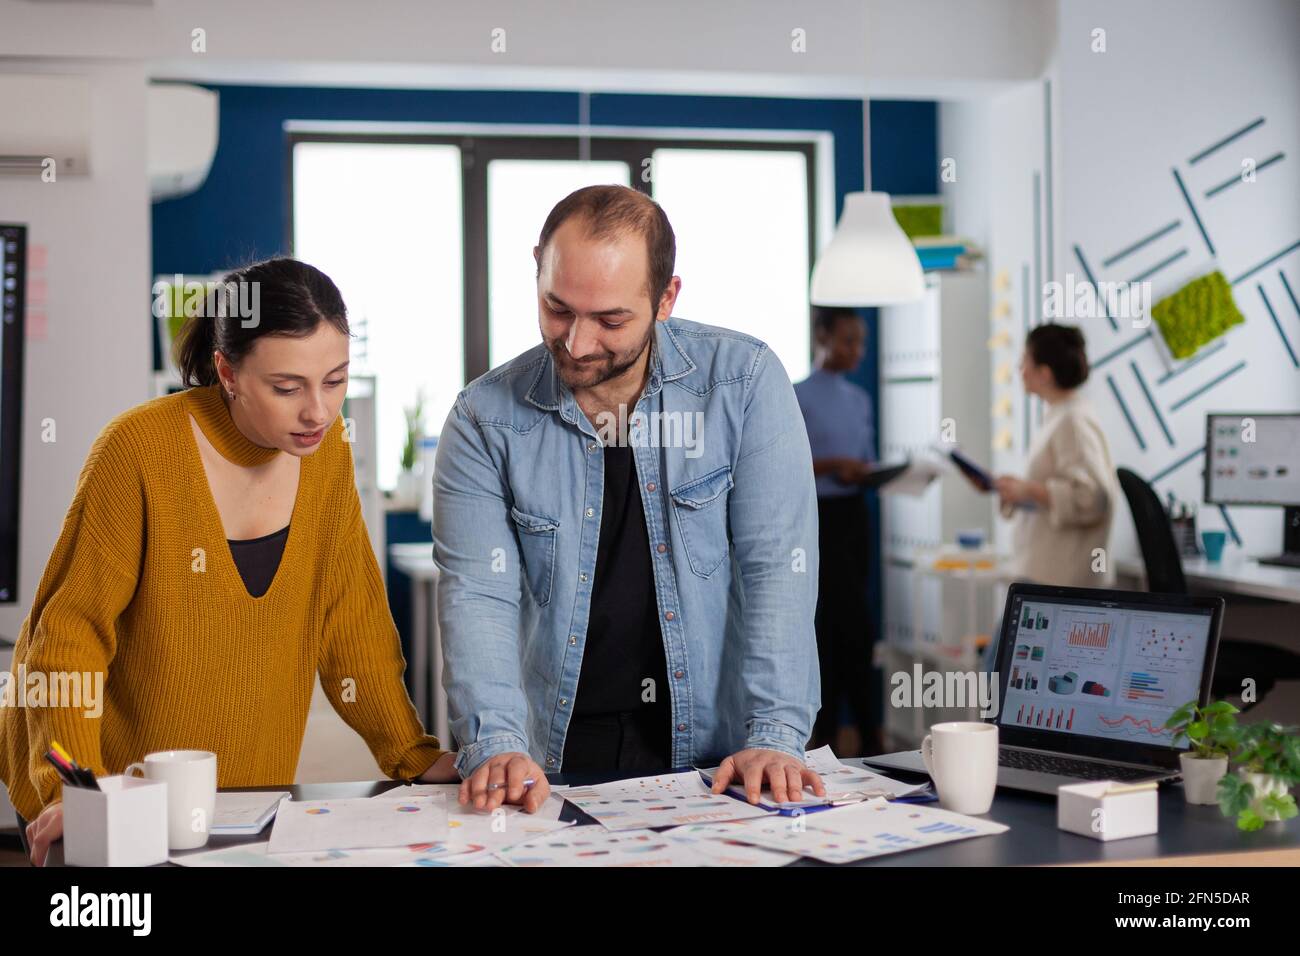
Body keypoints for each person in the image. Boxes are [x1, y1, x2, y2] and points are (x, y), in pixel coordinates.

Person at [0, 258, 457, 866]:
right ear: (228, 372)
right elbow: (67, 635)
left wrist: (413, 754)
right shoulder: (138, 450)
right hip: (116, 797)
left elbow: (352, 622)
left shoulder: (327, 456)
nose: (318, 411)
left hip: (251, 808)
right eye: (287, 388)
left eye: (336, 380)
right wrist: (74, 789)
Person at [433, 184, 826, 811]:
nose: (579, 343)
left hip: (714, 754)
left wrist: (776, 735)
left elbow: (777, 566)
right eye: (557, 309)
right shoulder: (484, 419)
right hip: (551, 758)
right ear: (538, 267)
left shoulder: (743, 382)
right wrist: (496, 741)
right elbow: (479, 593)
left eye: (611, 320)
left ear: (665, 298)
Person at [793, 306, 882, 755]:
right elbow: (785, 469)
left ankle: (870, 738)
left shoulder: (859, 401)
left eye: (860, 342)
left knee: (858, 629)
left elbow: (863, 460)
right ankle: (823, 737)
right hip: (817, 520)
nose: (856, 351)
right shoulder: (796, 396)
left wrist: (868, 473)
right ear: (822, 337)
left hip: (854, 518)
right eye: (847, 340)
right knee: (826, 628)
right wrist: (832, 466)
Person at [994, 323, 1118, 589]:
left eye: (1025, 360)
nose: (1019, 369)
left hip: (1062, 582)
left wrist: (1030, 491)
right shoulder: (1060, 415)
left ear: (1044, 373)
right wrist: (1019, 491)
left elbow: (1092, 498)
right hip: (1045, 574)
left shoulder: (1072, 420)